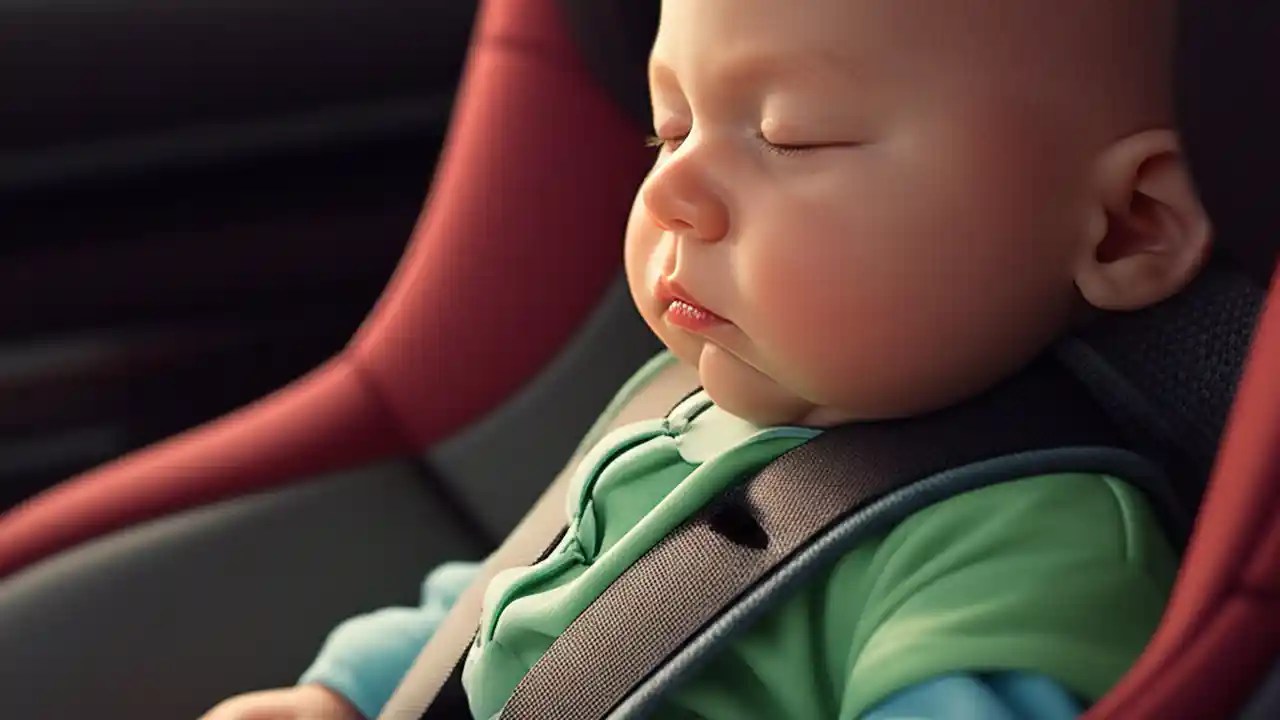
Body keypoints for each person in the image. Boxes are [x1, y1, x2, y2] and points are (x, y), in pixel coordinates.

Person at [202, 0, 1210, 717]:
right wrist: (355, 691)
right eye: (668, 126)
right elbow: (538, 594)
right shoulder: (684, 408)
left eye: (790, 137)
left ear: (1124, 229)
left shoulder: (1024, 552)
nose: (672, 192)